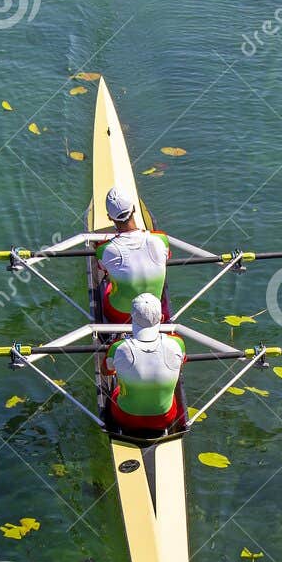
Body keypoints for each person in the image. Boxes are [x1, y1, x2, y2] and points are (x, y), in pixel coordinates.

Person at [106, 293, 185, 432]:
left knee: (119, 384)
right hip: (165, 418)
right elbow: (181, 364)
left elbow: (107, 371)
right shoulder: (178, 342)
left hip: (124, 417)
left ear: (132, 318)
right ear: (161, 317)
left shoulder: (117, 347)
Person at [97, 185, 170, 323]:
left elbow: (102, 269)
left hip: (121, 315)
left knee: (107, 282)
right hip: (156, 310)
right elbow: (167, 257)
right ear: (134, 209)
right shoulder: (161, 239)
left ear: (109, 217)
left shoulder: (104, 249)